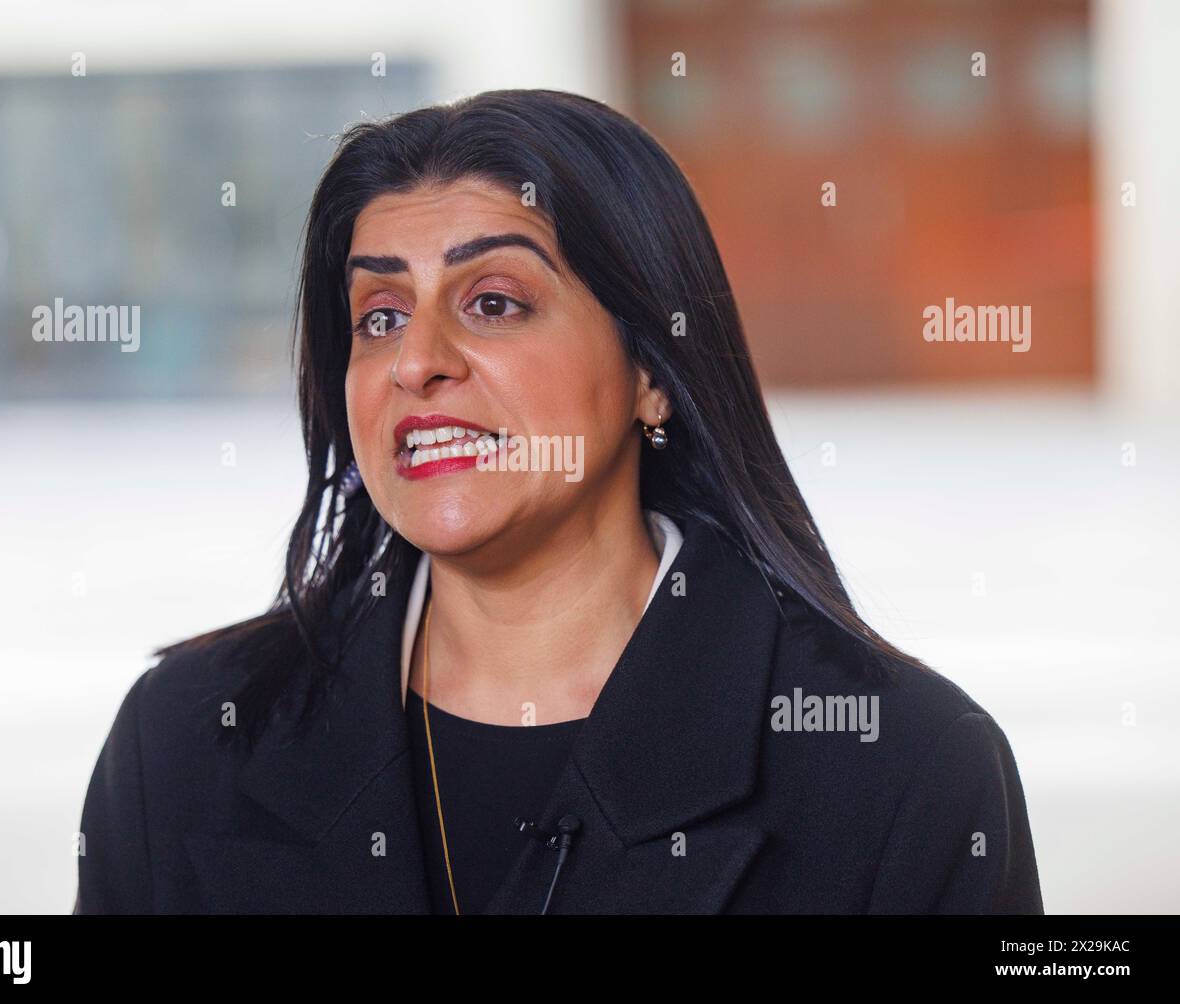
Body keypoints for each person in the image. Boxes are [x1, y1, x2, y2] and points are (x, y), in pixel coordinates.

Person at [74, 88, 1042, 914]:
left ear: (651, 373)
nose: (415, 361)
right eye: (378, 315)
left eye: (493, 301)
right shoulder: (187, 742)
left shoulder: (905, 769)